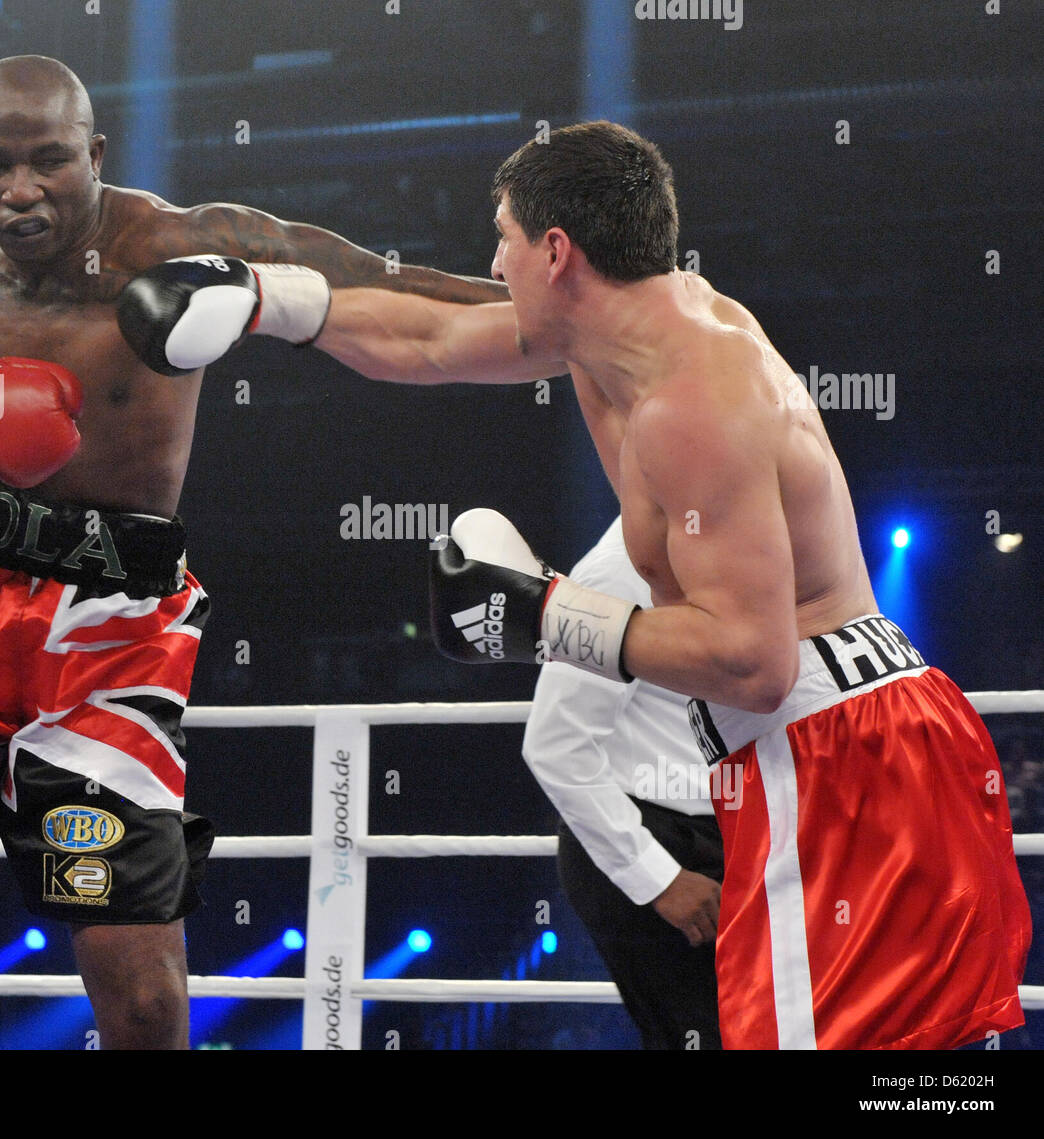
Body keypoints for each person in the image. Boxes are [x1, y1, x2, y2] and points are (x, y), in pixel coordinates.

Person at [158, 121, 1032, 1049]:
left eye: (502, 237)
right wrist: (270, 301)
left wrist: (546, 613)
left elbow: (753, 661)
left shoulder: (690, 402)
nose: (494, 266)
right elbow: (434, 337)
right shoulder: (622, 336)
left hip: (832, 756)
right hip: (867, 735)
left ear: (556, 250)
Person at [0, 54, 506, 1051]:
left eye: (48, 161)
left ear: (97, 151)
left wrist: (573, 316)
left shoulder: (185, 244)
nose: (21, 190)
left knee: (143, 994)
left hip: (113, 631)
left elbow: (382, 287)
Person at [523, 517, 722, 1049]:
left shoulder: (719, 548)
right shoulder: (614, 573)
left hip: (723, 835)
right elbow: (554, 742)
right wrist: (659, 878)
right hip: (657, 841)